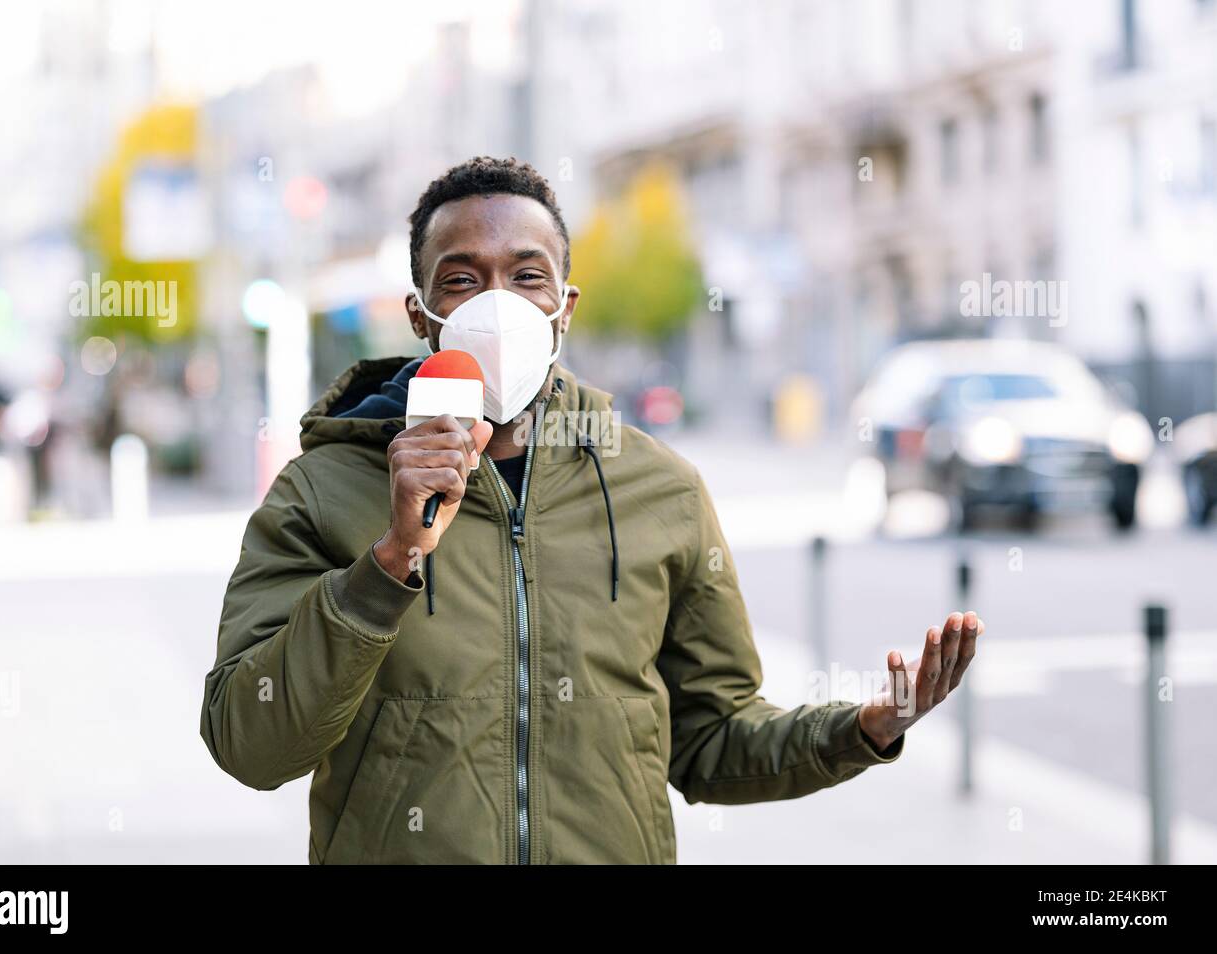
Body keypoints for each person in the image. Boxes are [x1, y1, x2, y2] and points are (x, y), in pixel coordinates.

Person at [200, 156, 984, 864]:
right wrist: (388, 561)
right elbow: (250, 743)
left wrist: (863, 730)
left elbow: (709, 739)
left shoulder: (659, 489)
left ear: (564, 307)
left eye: (527, 276)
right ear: (420, 313)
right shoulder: (324, 489)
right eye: (463, 279)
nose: (498, 305)